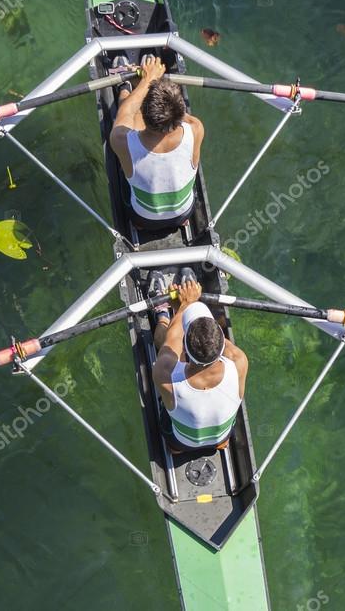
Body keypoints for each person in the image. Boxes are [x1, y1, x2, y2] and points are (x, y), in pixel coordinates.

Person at [150, 270, 248, 451]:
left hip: (180, 442)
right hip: (222, 438)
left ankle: (163, 313)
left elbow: (172, 340)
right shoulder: (239, 360)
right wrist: (192, 304)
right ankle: (221, 444)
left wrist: (181, 307)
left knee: (166, 345)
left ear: (185, 345)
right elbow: (213, 338)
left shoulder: (163, 373)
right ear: (222, 342)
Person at [109, 55, 205, 229]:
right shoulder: (196, 128)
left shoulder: (120, 140)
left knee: (133, 117)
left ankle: (125, 86)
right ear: (180, 109)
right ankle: (182, 222)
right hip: (183, 214)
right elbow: (175, 112)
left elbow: (126, 112)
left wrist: (148, 81)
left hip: (142, 219)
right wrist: (158, 84)